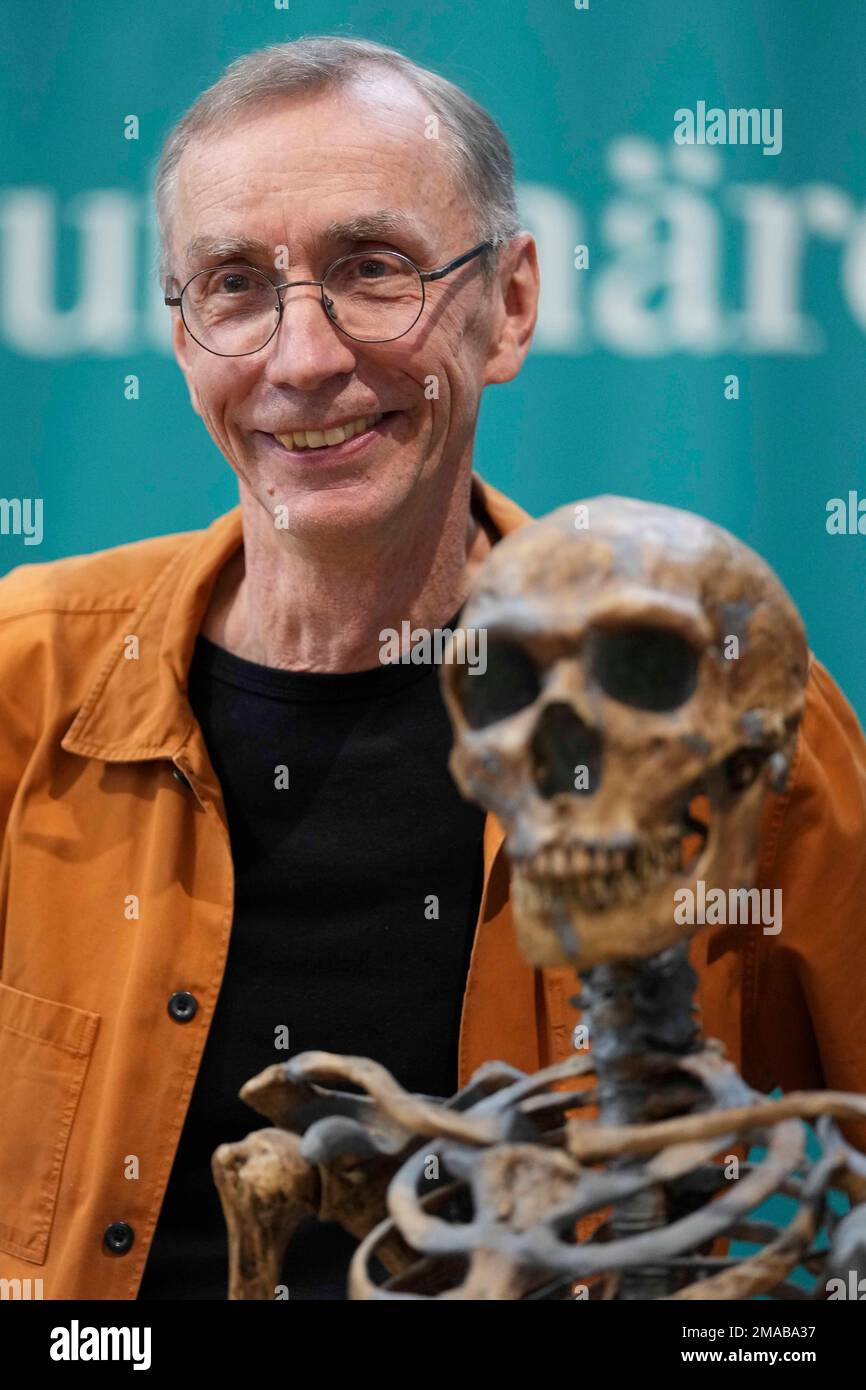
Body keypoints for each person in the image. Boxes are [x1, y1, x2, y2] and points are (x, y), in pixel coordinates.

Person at [0, 35, 864, 1302]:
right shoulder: (22, 687)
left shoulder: (714, 699)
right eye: (236, 285)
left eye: (372, 269)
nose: (303, 359)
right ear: (179, 336)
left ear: (508, 302)